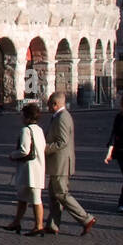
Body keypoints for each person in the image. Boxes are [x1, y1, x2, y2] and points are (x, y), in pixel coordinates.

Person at [44, 92, 96, 235]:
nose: (47, 106)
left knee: (61, 194)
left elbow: (62, 141)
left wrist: (45, 148)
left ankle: (86, 218)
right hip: (58, 163)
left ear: (55, 104)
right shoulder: (59, 116)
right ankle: (53, 225)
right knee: (53, 195)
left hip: (60, 163)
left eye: (49, 103)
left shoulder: (62, 118)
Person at [3, 102, 48, 235]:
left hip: (29, 169)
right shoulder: (39, 130)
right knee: (22, 197)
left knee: (35, 198)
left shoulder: (26, 130)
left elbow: (24, 150)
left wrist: (12, 155)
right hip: (38, 167)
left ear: (27, 117)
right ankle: (16, 222)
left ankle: (39, 225)